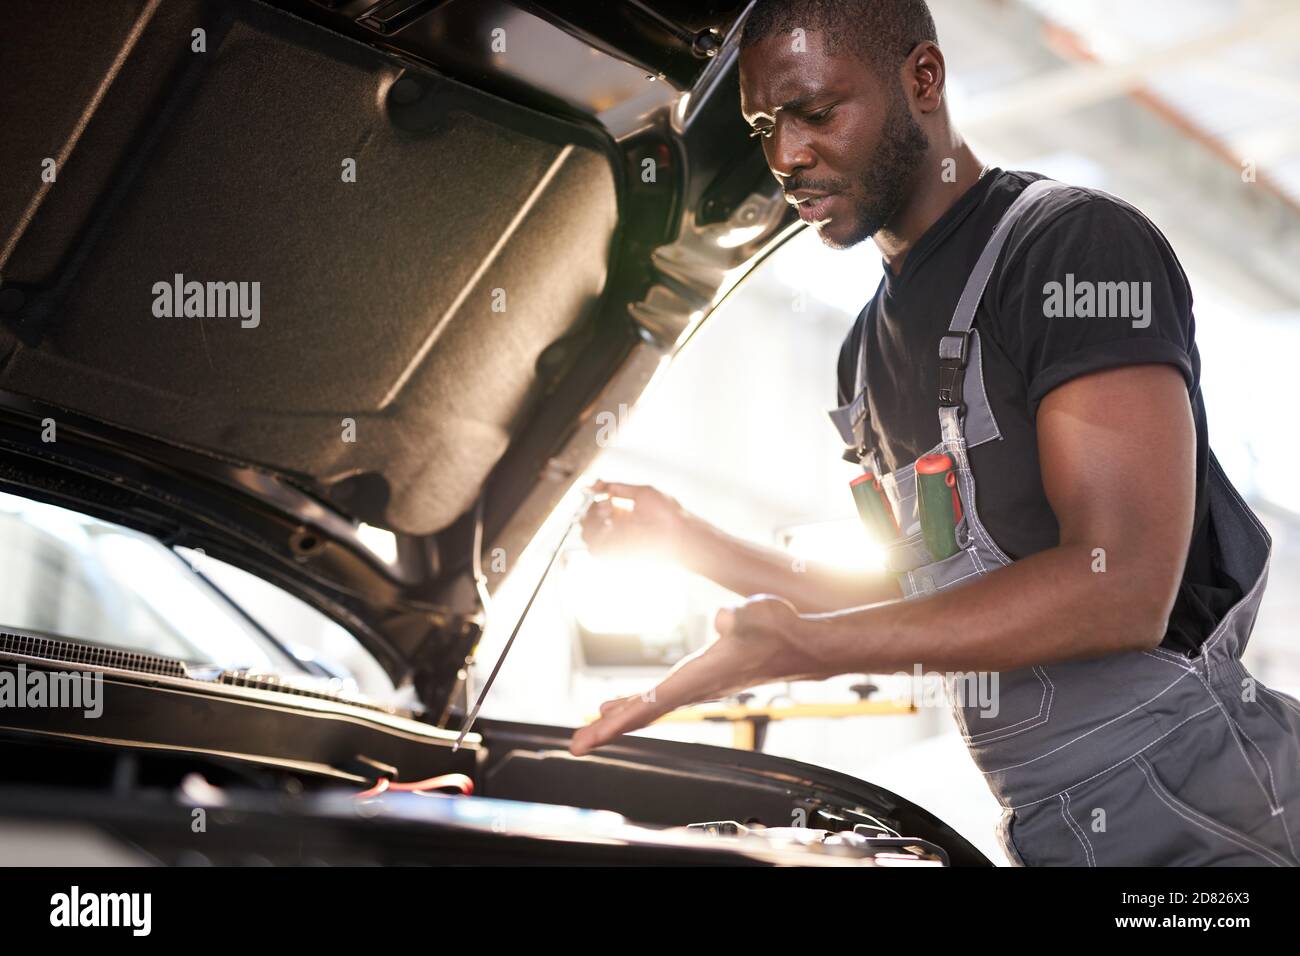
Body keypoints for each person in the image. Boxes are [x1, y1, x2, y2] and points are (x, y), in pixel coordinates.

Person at [568, 0, 1300, 866]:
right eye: (765, 125)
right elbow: (916, 598)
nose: (785, 156)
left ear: (923, 79)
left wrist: (812, 650)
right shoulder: (862, 357)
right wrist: (688, 543)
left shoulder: (1070, 249)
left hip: (1209, 812)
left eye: (814, 112)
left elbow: (1123, 586)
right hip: (1049, 826)